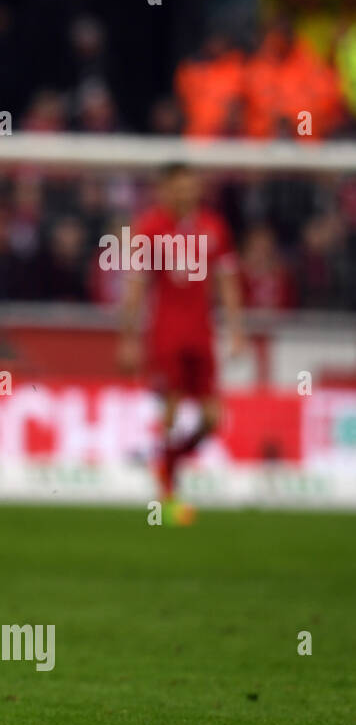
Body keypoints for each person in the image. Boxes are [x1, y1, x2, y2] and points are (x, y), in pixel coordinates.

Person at [119, 164, 244, 524]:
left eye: (191, 187)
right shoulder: (151, 228)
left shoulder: (214, 228)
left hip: (202, 333)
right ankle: (167, 494)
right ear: (165, 190)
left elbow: (227, 281)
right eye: (178, 188)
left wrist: (236, 330)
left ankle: (167, 464)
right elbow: (136, 286)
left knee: (212, 419)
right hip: (166, 331)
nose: (185, 194)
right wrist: (128, 338)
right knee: (171, 409)